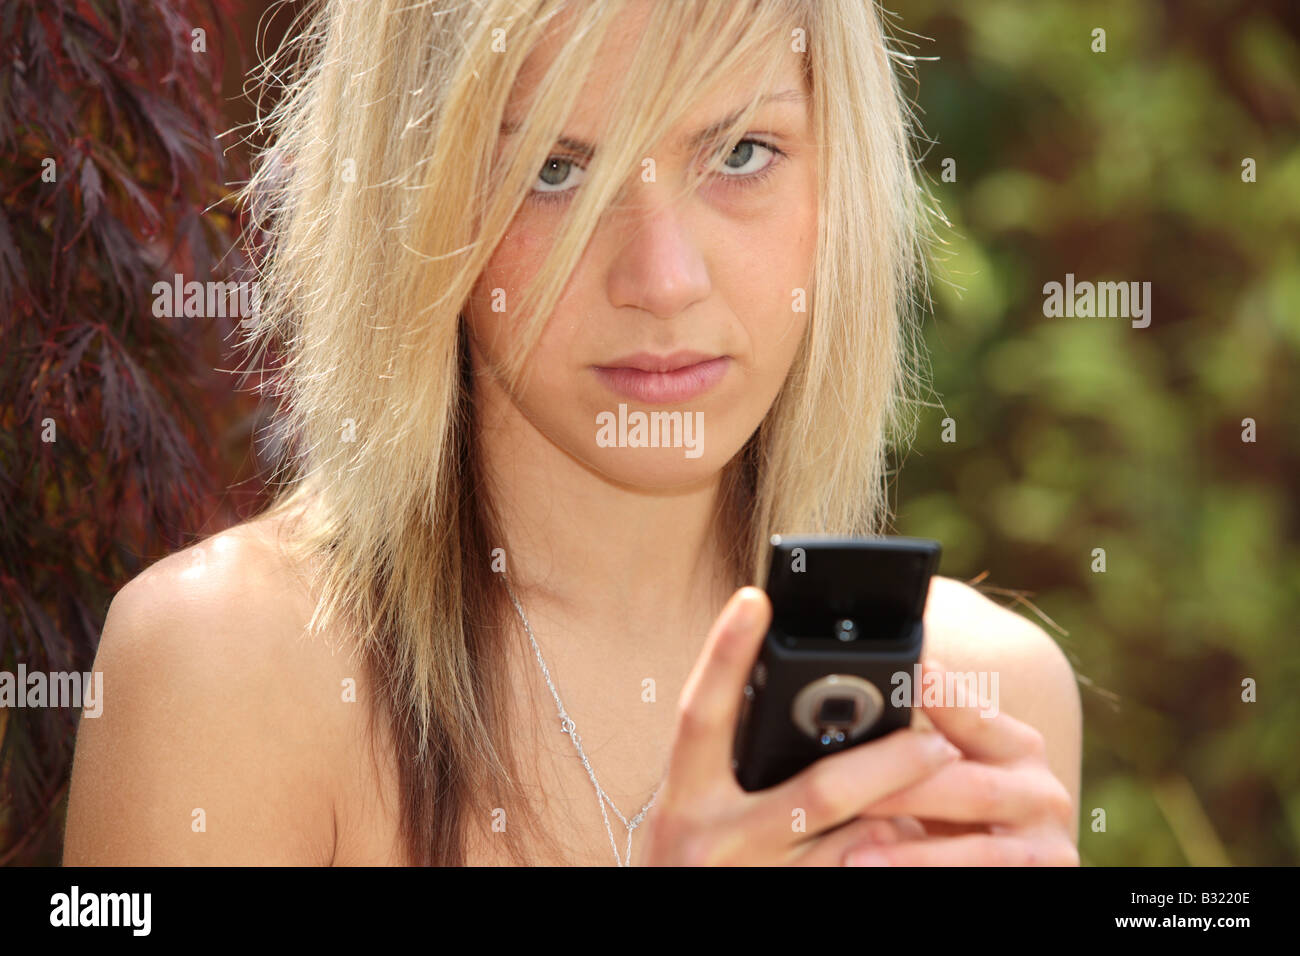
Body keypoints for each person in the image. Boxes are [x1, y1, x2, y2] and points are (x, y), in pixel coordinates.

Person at [63, 0, 1081, 866]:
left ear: (840, 174)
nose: (663, 278)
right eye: (555, 169)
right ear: (414, 202)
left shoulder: (975, 696)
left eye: (739, 152)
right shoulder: (221, 671)